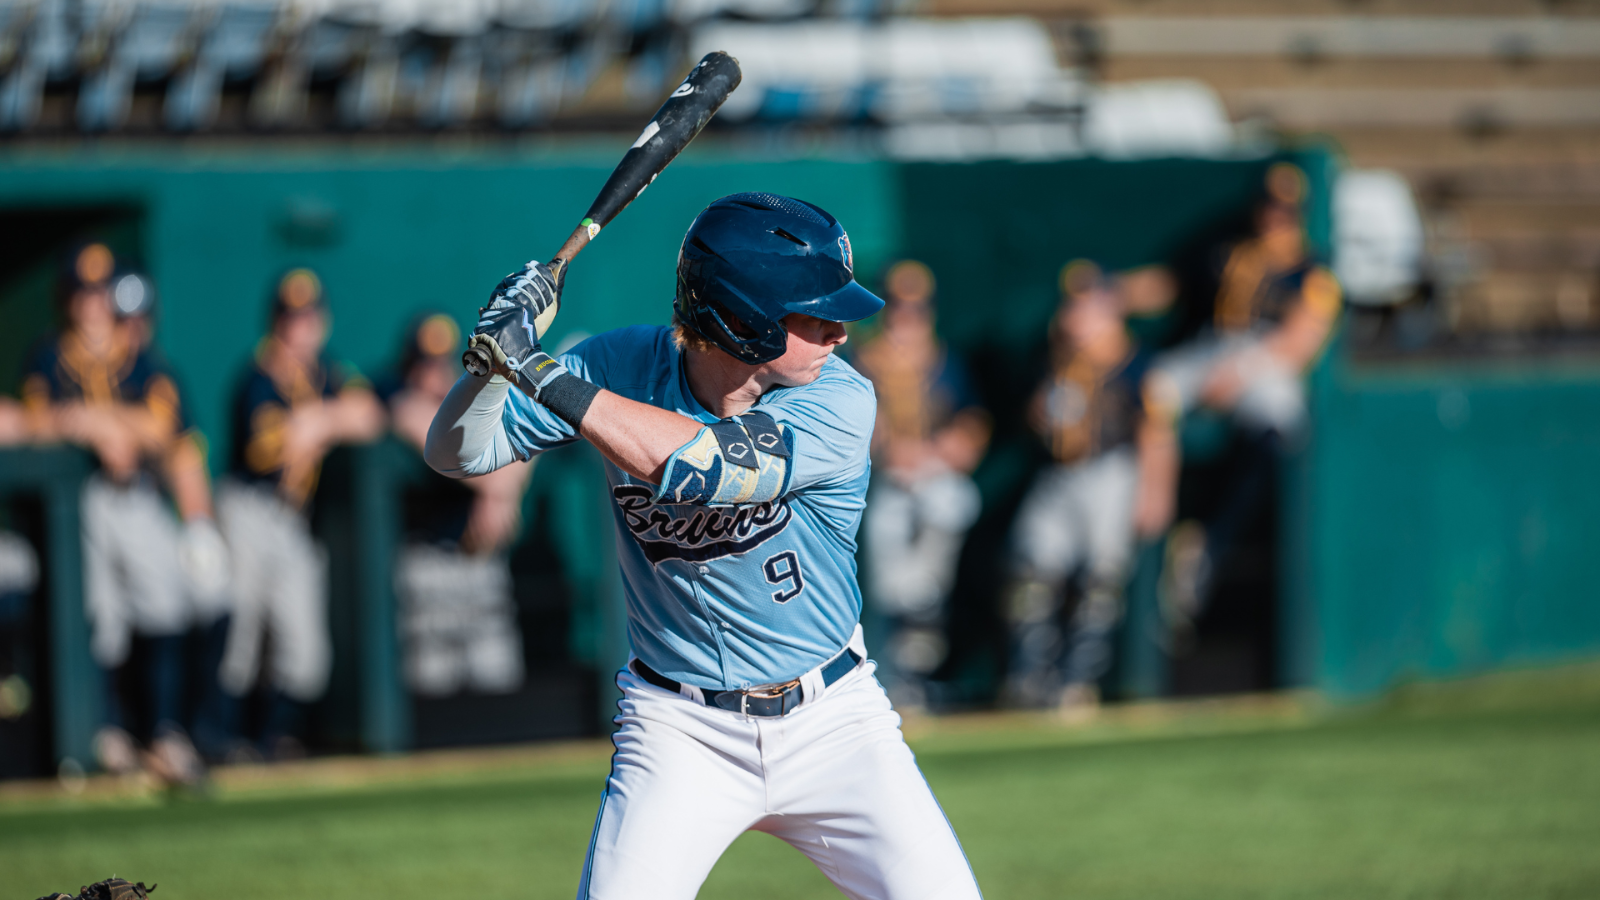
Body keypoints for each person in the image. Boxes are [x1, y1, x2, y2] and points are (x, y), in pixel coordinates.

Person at [425, 193, 983, 900]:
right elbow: (459, 455)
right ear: (742, 321)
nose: (841, 332)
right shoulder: (617, 366)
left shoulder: (842, 400)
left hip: (836, 723)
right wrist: (489, 361)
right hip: (678, 729)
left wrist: (536, 368)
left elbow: (706, 468)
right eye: (815, 313)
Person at [19, 243, 205, 784]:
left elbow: (161, 430)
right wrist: (95, 424)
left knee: (165, 605)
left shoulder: (139, 356)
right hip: (83, 501)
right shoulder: (48, 355)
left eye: (101, 294)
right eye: (83, 294)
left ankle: (164, 731)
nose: (93, 306)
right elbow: (33, 423)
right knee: (101, 618)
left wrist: (96, 421)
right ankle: (107, 732)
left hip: (139, 496)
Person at [1139, 163, 1342, 637]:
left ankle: (1209, 538)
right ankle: (1155, 515)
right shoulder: (1228, 252)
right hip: (1212, 346)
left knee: (1278, 423)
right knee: (1150, 392)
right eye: (1270, 207)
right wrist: (1114, 293)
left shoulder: (1312, 273)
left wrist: (1243, 371)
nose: (1275, 217)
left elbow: (1298, 344)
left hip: (1265, 357)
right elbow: (1168, 284)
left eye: (1285, 210)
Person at [215, 268, 383, 759]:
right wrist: (318, 423)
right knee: (241, 632)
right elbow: (270, 447)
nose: (299, 329)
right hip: (248, 508)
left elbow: (371, 413)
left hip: (291, 519)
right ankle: (226, 736)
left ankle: (273, 737)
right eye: (290, 319)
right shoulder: (257, 375)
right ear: (274, 323)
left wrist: (319, 420)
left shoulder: (325, 373)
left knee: (304, 649)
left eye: (308, 318)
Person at [1002, 261, 1159, 714]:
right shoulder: (1056, 358)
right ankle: (1028, 677)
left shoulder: (1135, 360)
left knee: (1101, 579)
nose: (1077, 311)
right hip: (1060, 474)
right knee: (1030, 567)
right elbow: (1036, 419)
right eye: (1074, 301)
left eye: (1088, 301)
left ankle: (1077, 681)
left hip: (1113, 473)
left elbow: (1155, 434)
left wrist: (1154, 492)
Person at [850, 259, 989, 710]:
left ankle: (918, 661)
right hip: (883, 485)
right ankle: (898, 675)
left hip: (934, 478)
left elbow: (973, 422)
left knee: (954, 503)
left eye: (916, 309)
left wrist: (956, 442)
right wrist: (890, 448)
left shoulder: (945, 360)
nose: (906, 318)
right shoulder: (863, 360)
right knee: (889, 566)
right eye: (898, 308)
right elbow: (861, 429)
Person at [382, 312, 531, 696]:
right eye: (424, 364)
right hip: (427, 562)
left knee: (497, 679)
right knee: (431, 690)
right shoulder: (401, 402)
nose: (434, 374)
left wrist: (499, 495)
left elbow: (524, 447)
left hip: (477, 558)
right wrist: (497, 492)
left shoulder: (469, 405)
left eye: (441, 362)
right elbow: (443, 439)